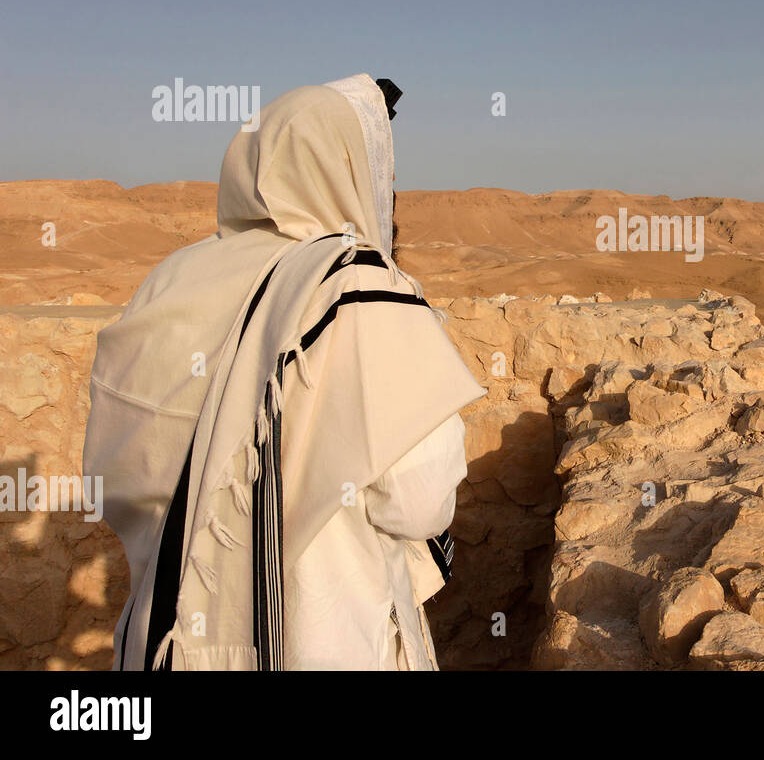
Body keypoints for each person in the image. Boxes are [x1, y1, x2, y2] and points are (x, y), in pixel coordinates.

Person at [83, 73, 484, 670]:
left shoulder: (166, 283)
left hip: (166, 640)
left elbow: (121, 471)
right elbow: (419, 500)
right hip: (320, 635)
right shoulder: (355, 287)